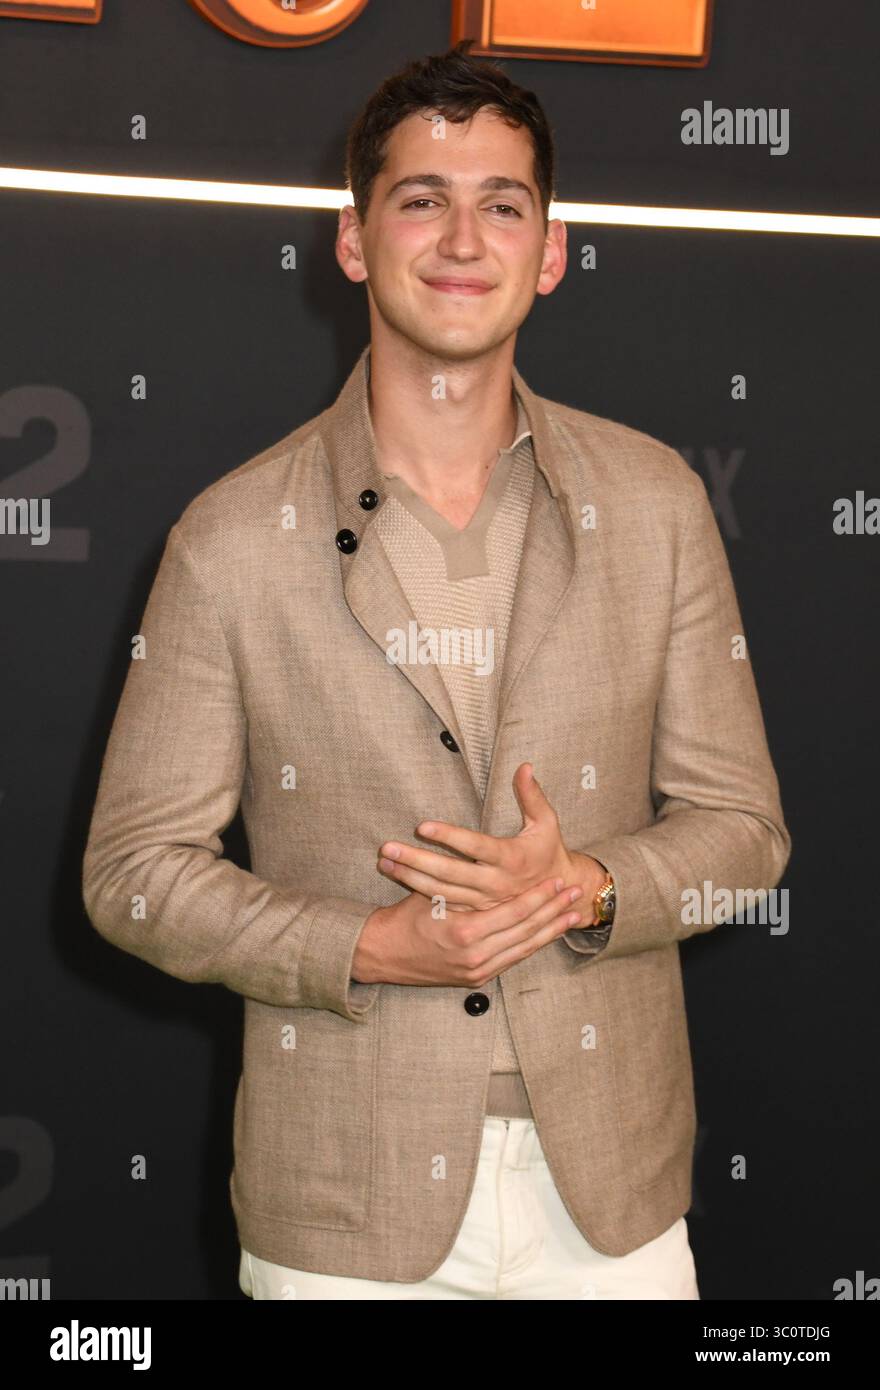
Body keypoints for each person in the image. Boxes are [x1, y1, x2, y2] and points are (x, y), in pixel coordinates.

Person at [82, 39, 791, 1299]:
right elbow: (133, 877)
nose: (463, 238)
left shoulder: (656, 501)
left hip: (612, 1207)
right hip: (341, 1213)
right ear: (353, 241)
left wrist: (585, 885)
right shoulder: (231, 535)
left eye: (500, 205)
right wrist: (362, 945)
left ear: (552, 250)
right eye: (422, 199)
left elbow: (745, 833)